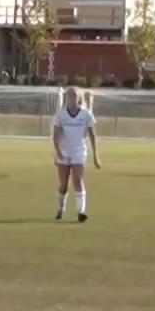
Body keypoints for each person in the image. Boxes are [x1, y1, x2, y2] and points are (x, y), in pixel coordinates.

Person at [52, 86, 100, 222]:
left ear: (78, 98)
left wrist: (95, 156)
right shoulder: (61, 116)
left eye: (73, 95)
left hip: (79, 152)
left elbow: (92, 135)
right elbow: (55, 135)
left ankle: (81, 211)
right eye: (68, 95)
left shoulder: (86, 115)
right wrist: (58, 151)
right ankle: (60, 209)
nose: (71, 98)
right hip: (64, 151)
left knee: (78, 180)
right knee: (63, 183)